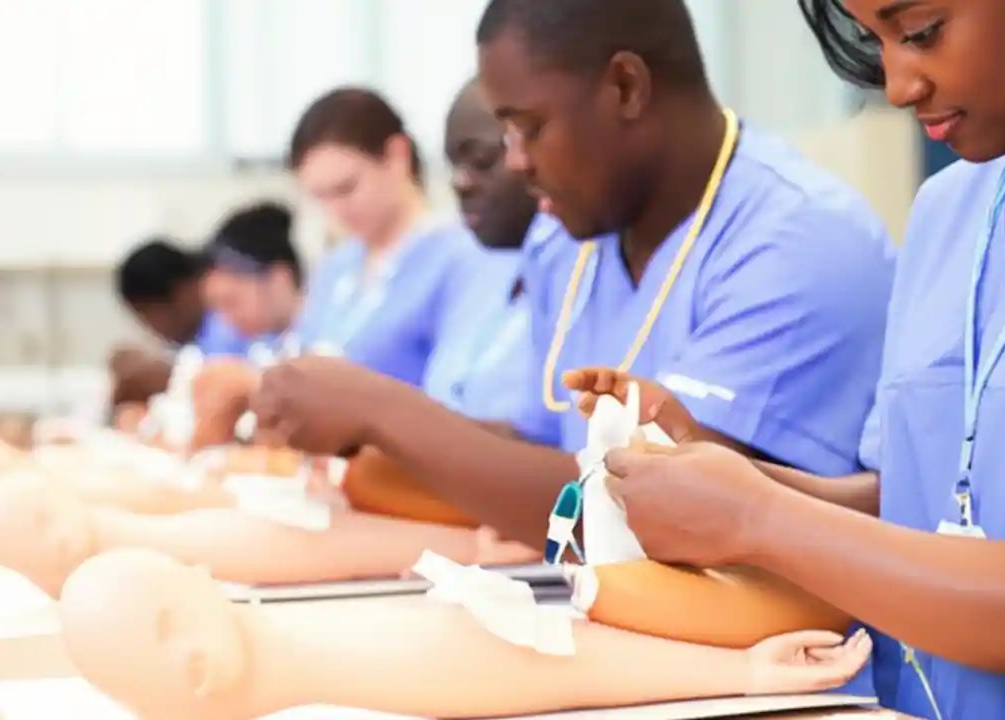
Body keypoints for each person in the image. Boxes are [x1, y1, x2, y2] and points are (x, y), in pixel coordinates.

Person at [570, 2, 1005, 718]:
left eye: (922, 32)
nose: (897, 85)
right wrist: (720, 471)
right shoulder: (949, 208)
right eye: (875, 40)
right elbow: (914, 506)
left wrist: (760, 518)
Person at [252, 0, 896, 550]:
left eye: (528, 128)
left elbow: (655, 515)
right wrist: (355, 423)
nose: (517, 163)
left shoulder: (797, 240)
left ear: (625, 87)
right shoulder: (563, 238)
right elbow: (535, 447)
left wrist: (379, 409)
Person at [286, 87, 479, 385]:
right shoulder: (335, 268)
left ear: (396, 156)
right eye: (320, 197)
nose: (336, 210)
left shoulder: (462, 257)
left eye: (346, 188)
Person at [420, 77, 551, 422]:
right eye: (453, 165)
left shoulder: (588, 276)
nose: (460, 182)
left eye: (481, 160)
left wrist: (379, 415)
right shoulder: (477, 268)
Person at [111, 238, 254, 408]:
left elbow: (227, 386)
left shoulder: (226, 325)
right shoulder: (198, 337)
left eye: (148, 316)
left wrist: (168, 377)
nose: (151, 330)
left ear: (182, 293)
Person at [201, 202, 304, 356]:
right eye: (218, 309)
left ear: (279, 279)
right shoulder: (259, 349)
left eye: (231, 302)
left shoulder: (332, 337)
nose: (226, 320)